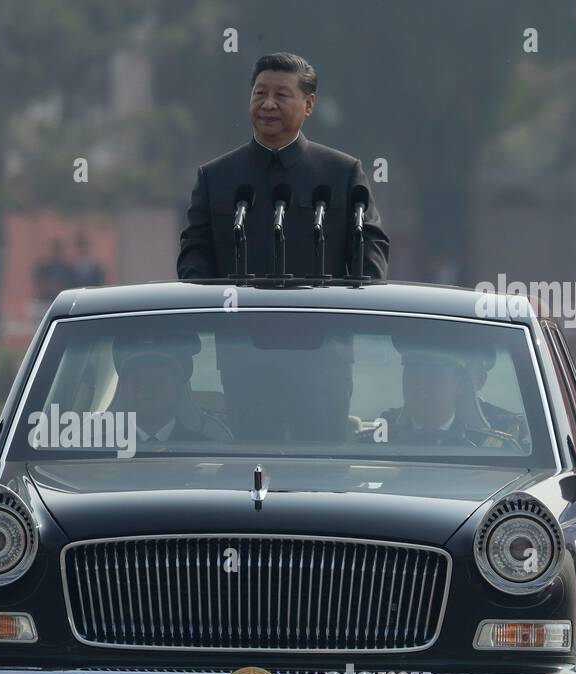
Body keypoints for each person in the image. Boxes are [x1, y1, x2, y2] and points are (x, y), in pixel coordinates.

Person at [177, 52, 389, 280]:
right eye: (260, 93)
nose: (268, 104)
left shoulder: (342, 174)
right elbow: (194, 258)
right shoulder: (215, 177)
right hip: (238, 313)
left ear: (308, 104)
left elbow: (370, 257)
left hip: (318, 314)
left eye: (281, 95)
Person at [371, 347, 520, 450]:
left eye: (434, 375)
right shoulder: (380, 438)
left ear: (460, 385)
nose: (421, 385)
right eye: (413, 374)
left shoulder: (501, 447)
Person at [109, 334, 231, 443]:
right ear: (123, 388)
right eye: (138, 380)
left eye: (157, 378)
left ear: (178, 386)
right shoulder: (97, 450)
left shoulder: (211, 447)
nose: (147, 388)